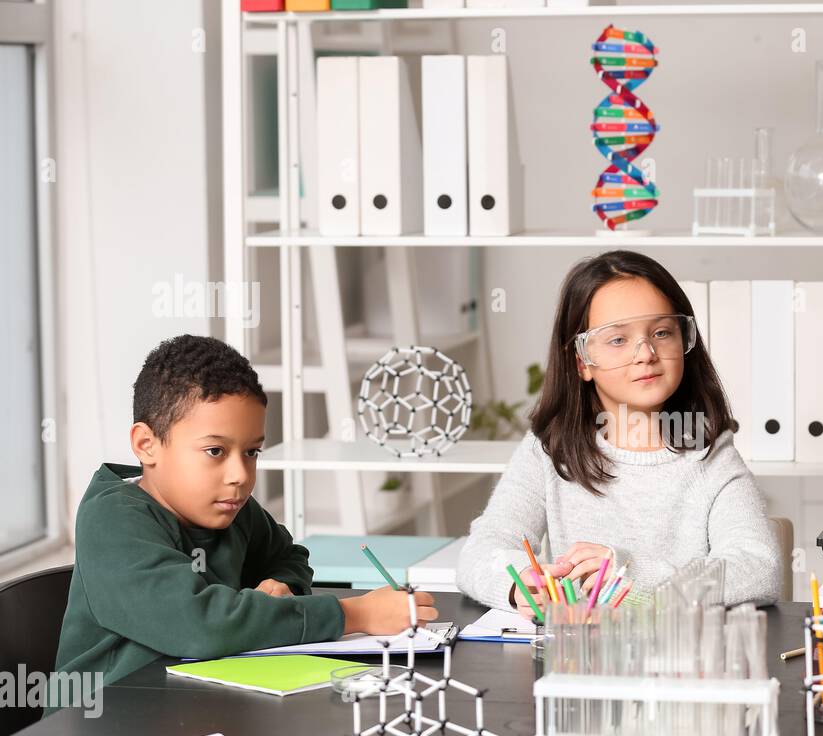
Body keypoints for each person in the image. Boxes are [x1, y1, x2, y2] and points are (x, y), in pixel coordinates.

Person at [50, 335, 436, 704]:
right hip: (105, 726)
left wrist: (280, 586)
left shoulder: (230, 507)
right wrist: (355, 614)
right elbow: (200, 625)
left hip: (196, 705)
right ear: (146, 445)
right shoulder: (113, 519)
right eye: (215, 450)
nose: (239, 474)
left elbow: (289, 556)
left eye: (251, 452)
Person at [456, 250, 782, 617]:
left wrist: (628, 577)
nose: (646, 353)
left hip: (681, 661)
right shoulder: (550, 450)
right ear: (582, 362)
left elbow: (758, 568)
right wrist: (521, 586)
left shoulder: (709, 453)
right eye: (617, 340)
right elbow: (481, 552)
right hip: (580, 661)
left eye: (661, 333)